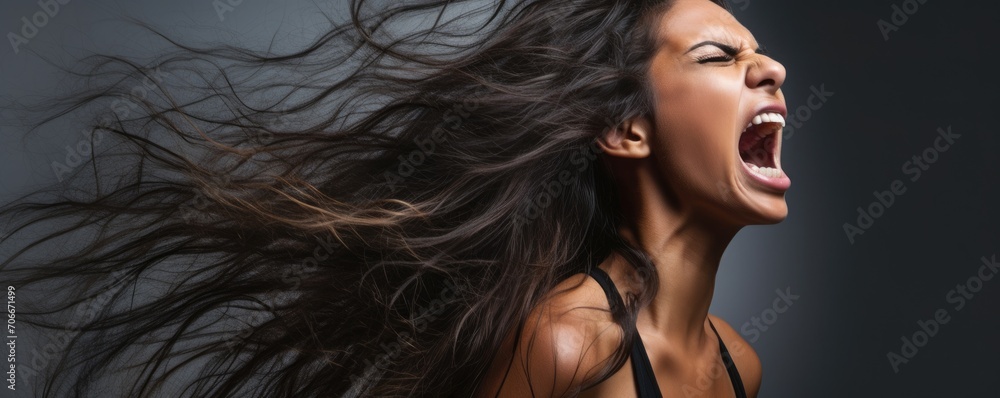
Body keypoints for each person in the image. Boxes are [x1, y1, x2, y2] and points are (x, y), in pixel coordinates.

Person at [0, 0, 787, 396]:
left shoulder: (738, 365)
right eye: (721, 55)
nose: (771, 68)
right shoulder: (564, 345)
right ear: (626, 130)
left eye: (760, 49)